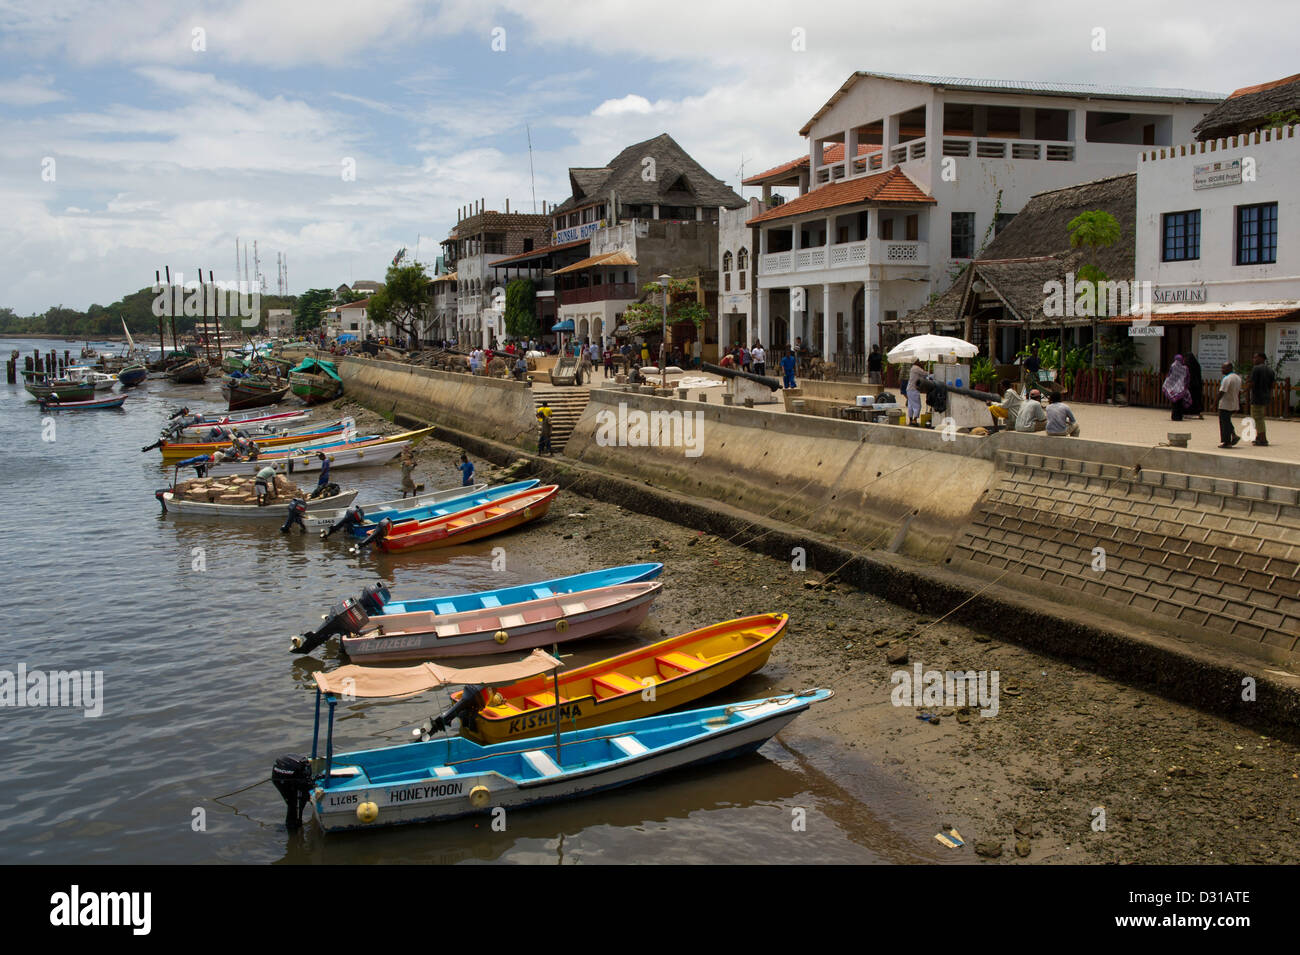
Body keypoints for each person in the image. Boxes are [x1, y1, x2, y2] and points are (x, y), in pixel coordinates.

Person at [1249, 353, 1275, 447]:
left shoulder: (1256, 368)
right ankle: (1258, 437)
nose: (1253, 359)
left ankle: (1263, 439)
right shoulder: (1270, 370)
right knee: (1257, 417)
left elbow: (1252, 383)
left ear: (1261, 358)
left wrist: (1244, 392)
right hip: (1265, 397)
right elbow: (1272, 385)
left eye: (1255, 357)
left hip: (1257, 397)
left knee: (1258, 418)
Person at [1218, 361, 1243, 449]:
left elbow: (1222, 392)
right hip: (1234, 403)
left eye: (1224, 368)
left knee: (1224, 423)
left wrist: (1214, 403)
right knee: (1227, 420)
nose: (1222, 370)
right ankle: (1234, 435)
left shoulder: (1227, 378)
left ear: (1230, 368)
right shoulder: (1237, 377)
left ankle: (1227, 442)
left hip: (1225, 404)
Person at [1163, 354, 1192, 421]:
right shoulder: (1185, 368)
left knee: (1174, 403)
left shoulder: (1173, 366)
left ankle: (1174, 416)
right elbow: (1187, 377)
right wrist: (1186, 385)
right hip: (1181, 387)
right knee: (1180, 403)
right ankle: (1179, 416)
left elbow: (1169, 375)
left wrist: (1167, 384)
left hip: (1173, 387)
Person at [906, 360, 928, 425]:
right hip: (914, 389)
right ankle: (915, 420)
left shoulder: (913, 368)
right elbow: (926, 374)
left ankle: (910, 420)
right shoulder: (916, 368)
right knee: (917, 406)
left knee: (910, 405)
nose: (923, 363)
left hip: (909, 389)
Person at [1184, 353, 1204, 419]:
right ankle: (1196, 411)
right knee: (1196, 399)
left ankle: (1188, 411)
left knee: (1189, 398)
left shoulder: (1186, 366)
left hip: (1189, 385)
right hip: (1197, 385)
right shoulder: (1197, 365)